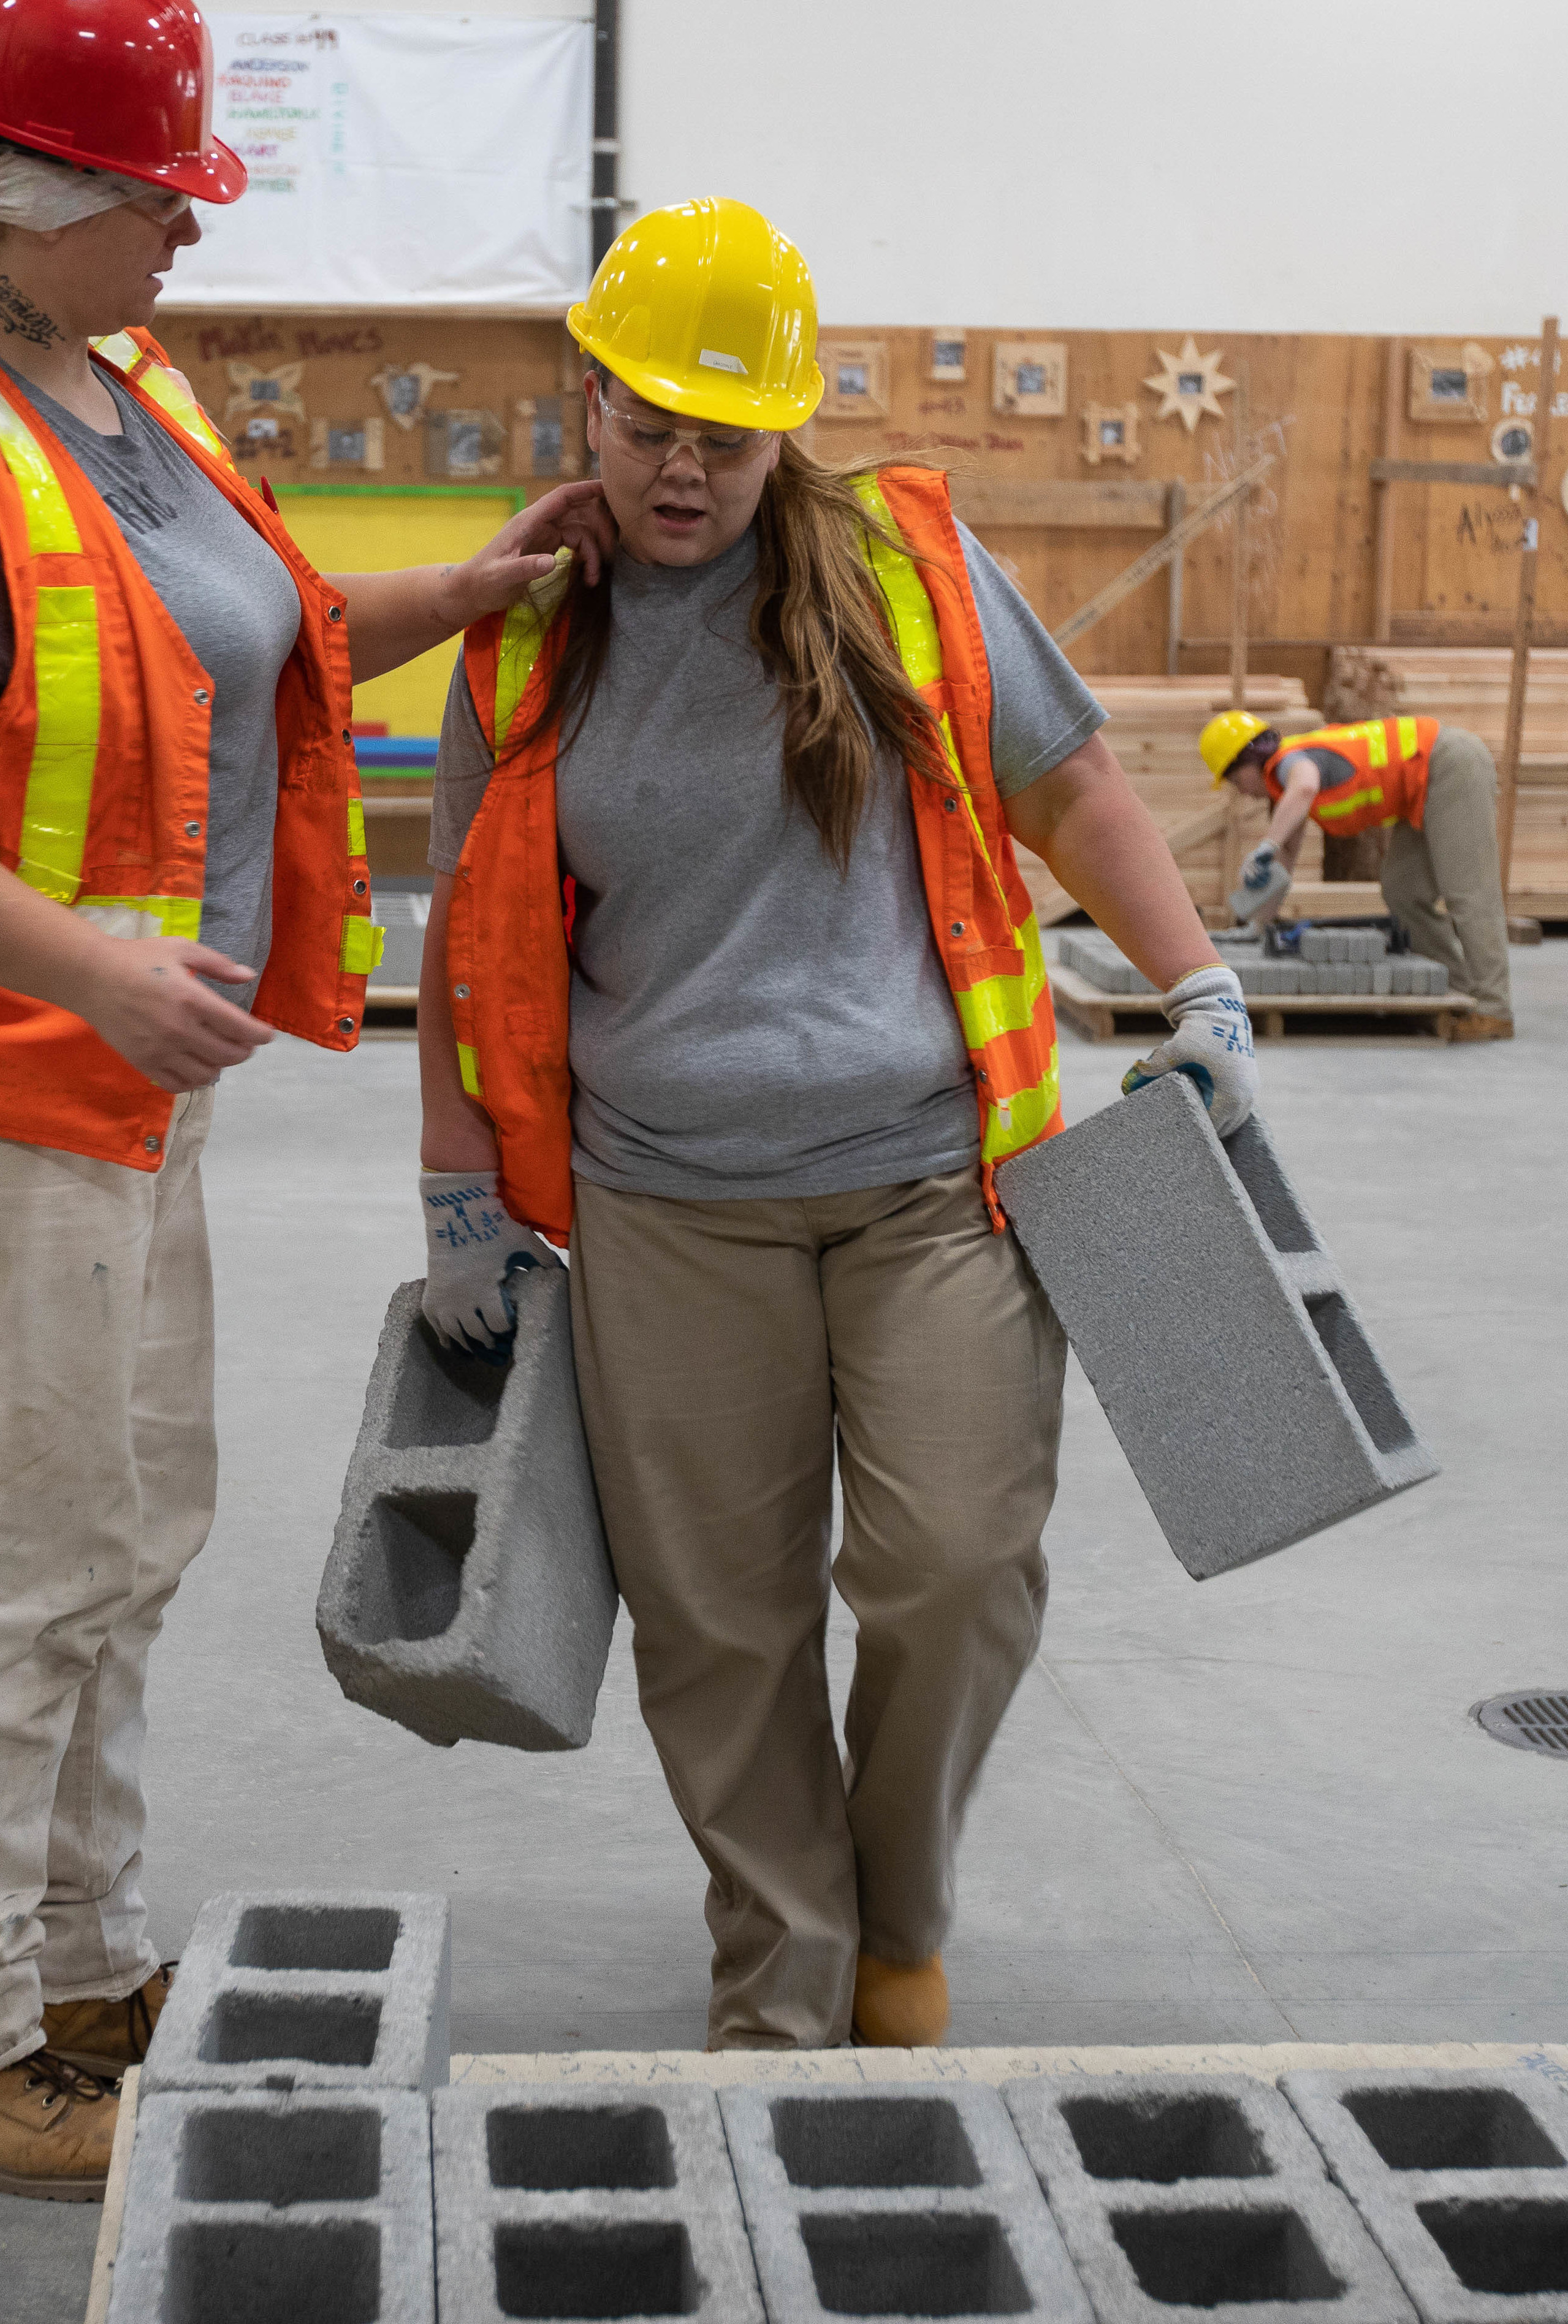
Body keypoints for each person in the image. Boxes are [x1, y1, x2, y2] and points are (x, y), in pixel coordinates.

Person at [0, 0, 593, 2199]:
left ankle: (75, 1966)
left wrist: (475, 589)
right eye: (159, 193)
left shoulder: (127, 397)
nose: (192, 226)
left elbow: (266, 646)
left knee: (118, 1544)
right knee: (4, 1569)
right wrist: (101, 978)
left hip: (117, 1100)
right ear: (21, 206)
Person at [414, 199, 1257, 2054]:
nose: (681, 470)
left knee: (957, 1565)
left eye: (723, 433)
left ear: (787, 422)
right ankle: (780, 1976)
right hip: (663, 1204)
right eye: (646, 427)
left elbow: (1077, 784)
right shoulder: (526, 641)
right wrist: (455, 1179)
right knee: (720, 1626)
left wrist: (1196, 983)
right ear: (594, 404)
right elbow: (472, 933)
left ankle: (901, 1904)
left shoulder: (905, 574)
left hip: (930, 1182)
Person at [1202, 708, 1513, 1039]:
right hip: (1419, 788)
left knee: (1468, 892)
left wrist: (1266, 844)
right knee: (1403, 891)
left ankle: (1494, 1010)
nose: (1242, 792)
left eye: (1236, 780)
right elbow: (1286, 860)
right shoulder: (1284, 788)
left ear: (1251, 758)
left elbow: (1305, 787)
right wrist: (1258, 925)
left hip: (1447, 764)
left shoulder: (1289, 760)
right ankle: (1459, 987)